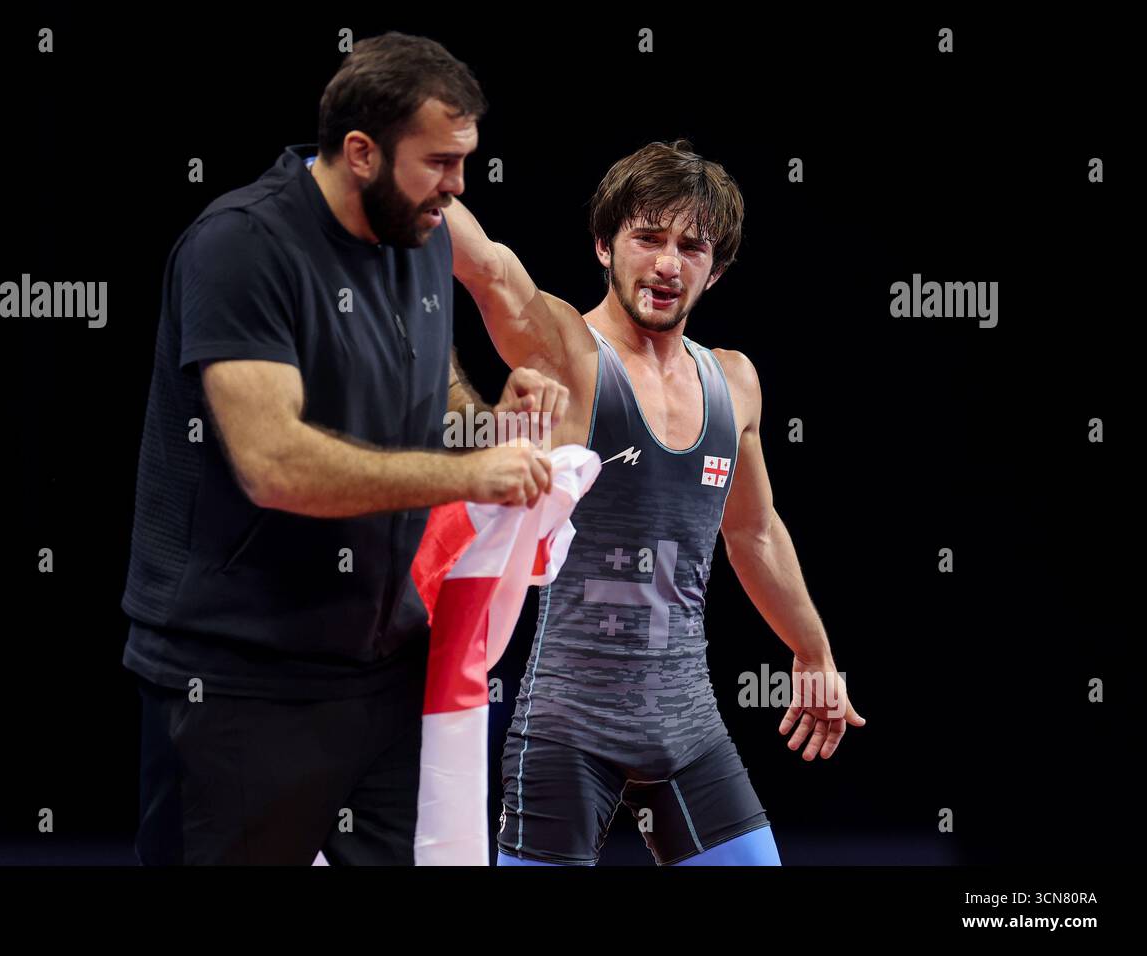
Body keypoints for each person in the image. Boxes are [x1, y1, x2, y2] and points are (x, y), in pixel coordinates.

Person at [120, 31, 563, 865]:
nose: (458, 186)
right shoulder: (241, 247)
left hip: (381, 668)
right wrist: (468, 475)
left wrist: (487, 423)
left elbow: (431, 385)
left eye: (465, 160)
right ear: (361, 152)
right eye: (438, 161)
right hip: (237, 682)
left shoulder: (422, 233)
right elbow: (274, 463)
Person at [446, 139, 865, 866]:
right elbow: (486, 267)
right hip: (567, 727)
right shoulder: (569, 352)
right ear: (604, 245)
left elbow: (755, 533)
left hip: (687, 725)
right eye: (648, 237)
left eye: (692, 246)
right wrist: (383, 161)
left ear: (717, 268)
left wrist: (813, 651)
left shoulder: (732, 381)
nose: (669, 263)